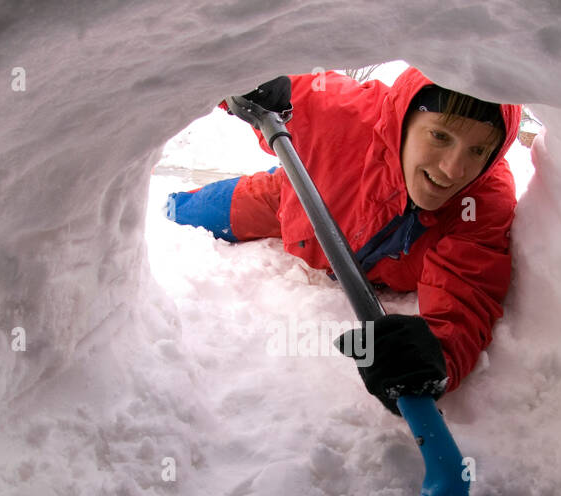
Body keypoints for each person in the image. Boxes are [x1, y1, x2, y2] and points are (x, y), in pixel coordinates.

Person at [165, 67, 521, 415]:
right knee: (178, 217)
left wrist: (432, 358)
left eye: (477, 151)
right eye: (440, 136)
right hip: (299, 199)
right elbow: (252, 73)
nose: (453, 169)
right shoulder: (342, 112)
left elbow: (467, 291)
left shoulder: (481, 202)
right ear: (405, 120)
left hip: (363, 251)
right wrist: (250, 79)